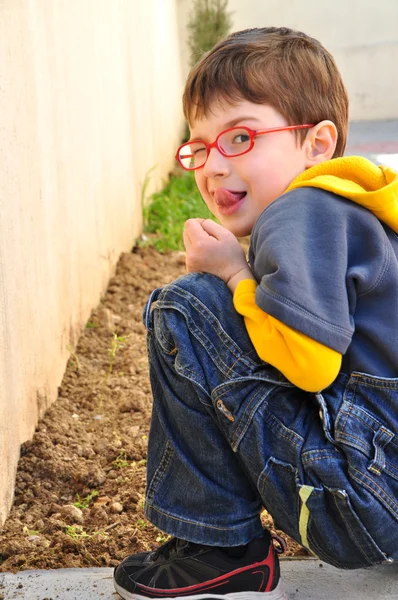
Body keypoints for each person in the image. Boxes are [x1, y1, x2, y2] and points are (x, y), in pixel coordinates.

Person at [114, 27, 398, 600]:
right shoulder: (355, 209)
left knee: (188, 307)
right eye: (199, 146)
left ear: (318, 143)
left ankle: (218, 549)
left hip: (361, 497)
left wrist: (233, 273)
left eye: (239, 138)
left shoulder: (299, 211)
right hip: (384, 482)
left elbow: (309, 366)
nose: (213, 167)